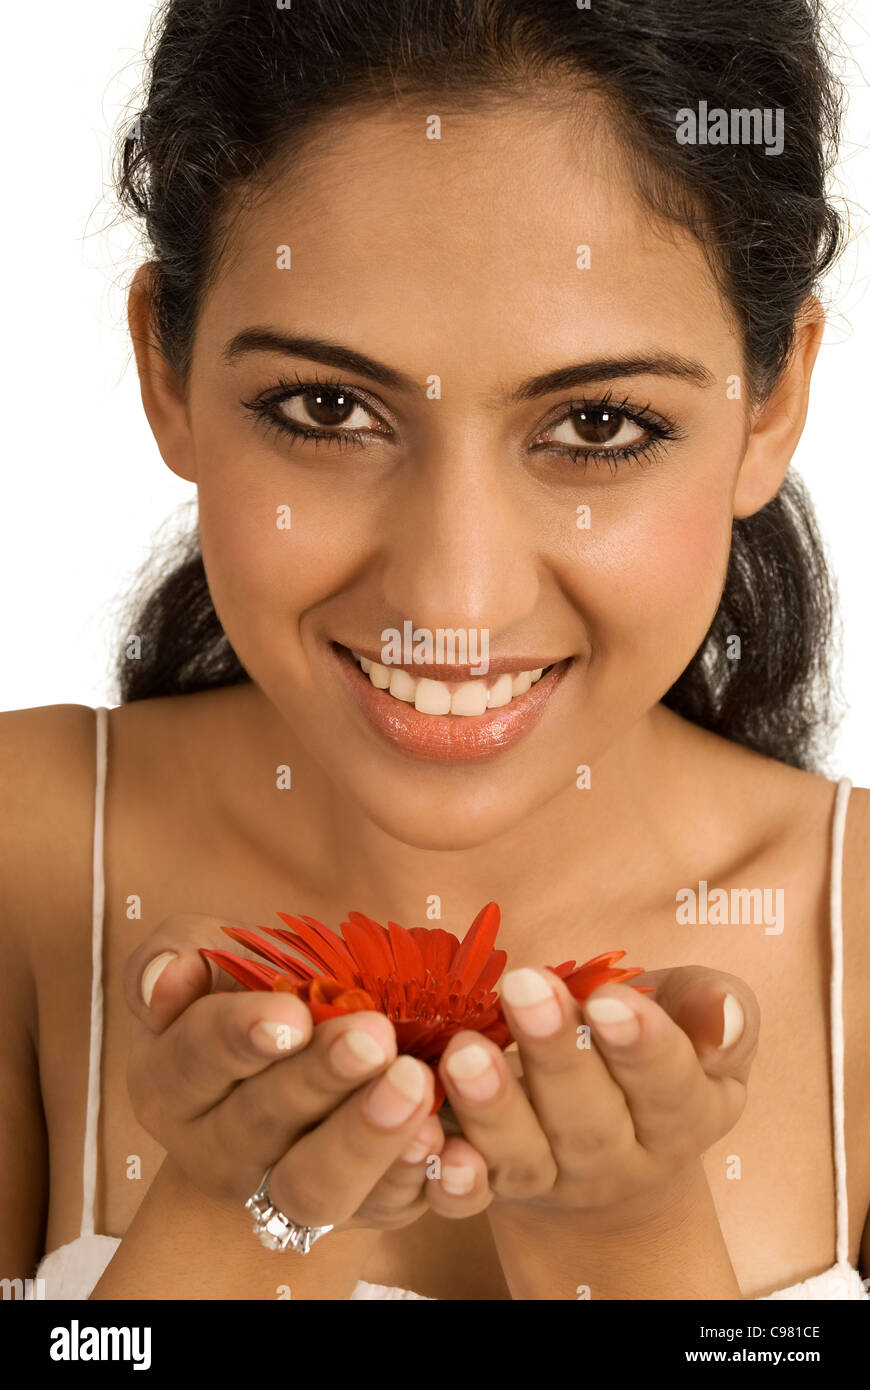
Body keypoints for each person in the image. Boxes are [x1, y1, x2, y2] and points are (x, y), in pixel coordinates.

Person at [2, 0, 868, 1301]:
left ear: (772, 401)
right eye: (327, 406)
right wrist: (233, 1218)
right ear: (165, 371)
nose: (451, 594)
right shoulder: (25, 853)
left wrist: (621, 1247)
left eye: (597, 422)